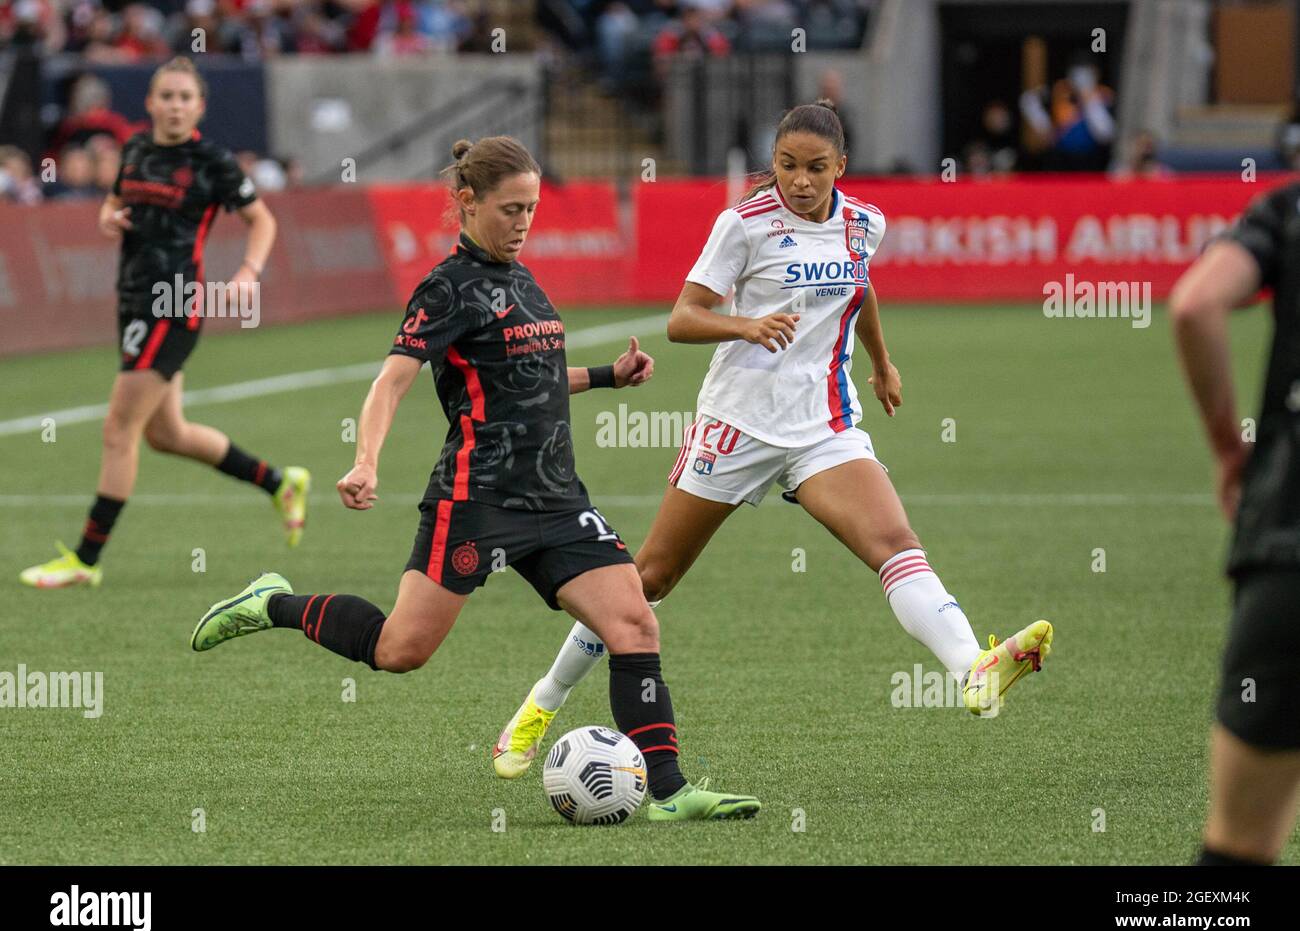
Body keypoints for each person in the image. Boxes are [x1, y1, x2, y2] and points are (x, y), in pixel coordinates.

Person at [188, 135, 761, 822]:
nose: (524, 223)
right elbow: (390, 382)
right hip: (476, 500)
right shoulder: (446, 287)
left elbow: (532, 379)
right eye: (511, 209)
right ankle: (270, 603)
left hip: (555, 497)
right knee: (400, 650)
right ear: (468, 202)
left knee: (635, 622)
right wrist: (366, 458)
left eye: (533, 209)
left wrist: (609, 375)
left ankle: (668, 791)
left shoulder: (522, 280)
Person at [493, 100, 1055, 778]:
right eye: (788, 165)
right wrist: (746, 327)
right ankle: (541, 702)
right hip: (737, 426)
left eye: (816, 168)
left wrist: (881, 362)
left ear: (840, 167)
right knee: (649, 578)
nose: (800, 180)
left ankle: (974, 667)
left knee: (894, 544)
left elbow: (859, 288)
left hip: (824, 426)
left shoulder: (863, 223)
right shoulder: (744, 225)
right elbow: (682, 319)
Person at [19, 57, 308, 590]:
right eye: (166, 96)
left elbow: (261, 219)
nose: (175, 105)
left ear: (199, 106)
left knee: (118, 429)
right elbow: (114, 201)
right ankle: (279, 482)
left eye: (185, 97)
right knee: (166, 434)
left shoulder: (212, 161)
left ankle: (86, 559)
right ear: (150, 103)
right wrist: (108, 214)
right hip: (132, 302)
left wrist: (248, 271)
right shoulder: (134, 150)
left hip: (173, 305)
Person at [1169, 183, 1300, 865]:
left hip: (1287, 549)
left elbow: (1195, 305)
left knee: (1237, 849)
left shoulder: (1287, 210)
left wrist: (1228, 447)